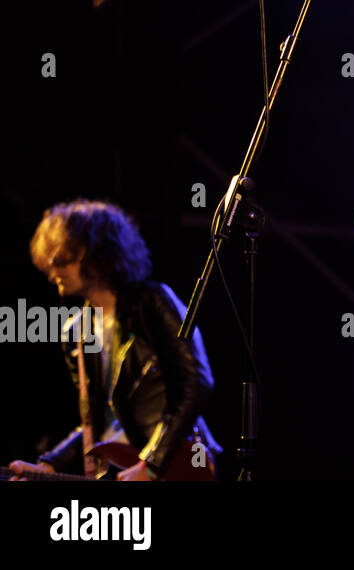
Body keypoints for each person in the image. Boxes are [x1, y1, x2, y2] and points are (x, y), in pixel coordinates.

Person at [6, 199, 221, 480]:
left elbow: (196, 383)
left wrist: (152, 465)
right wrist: (51, 464)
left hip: (176, 464)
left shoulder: (152, 303)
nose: (52, 271)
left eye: (62, 259)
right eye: (49, 261)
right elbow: (95, 422)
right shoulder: (76, 331)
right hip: (120, 467)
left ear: (97, 253)